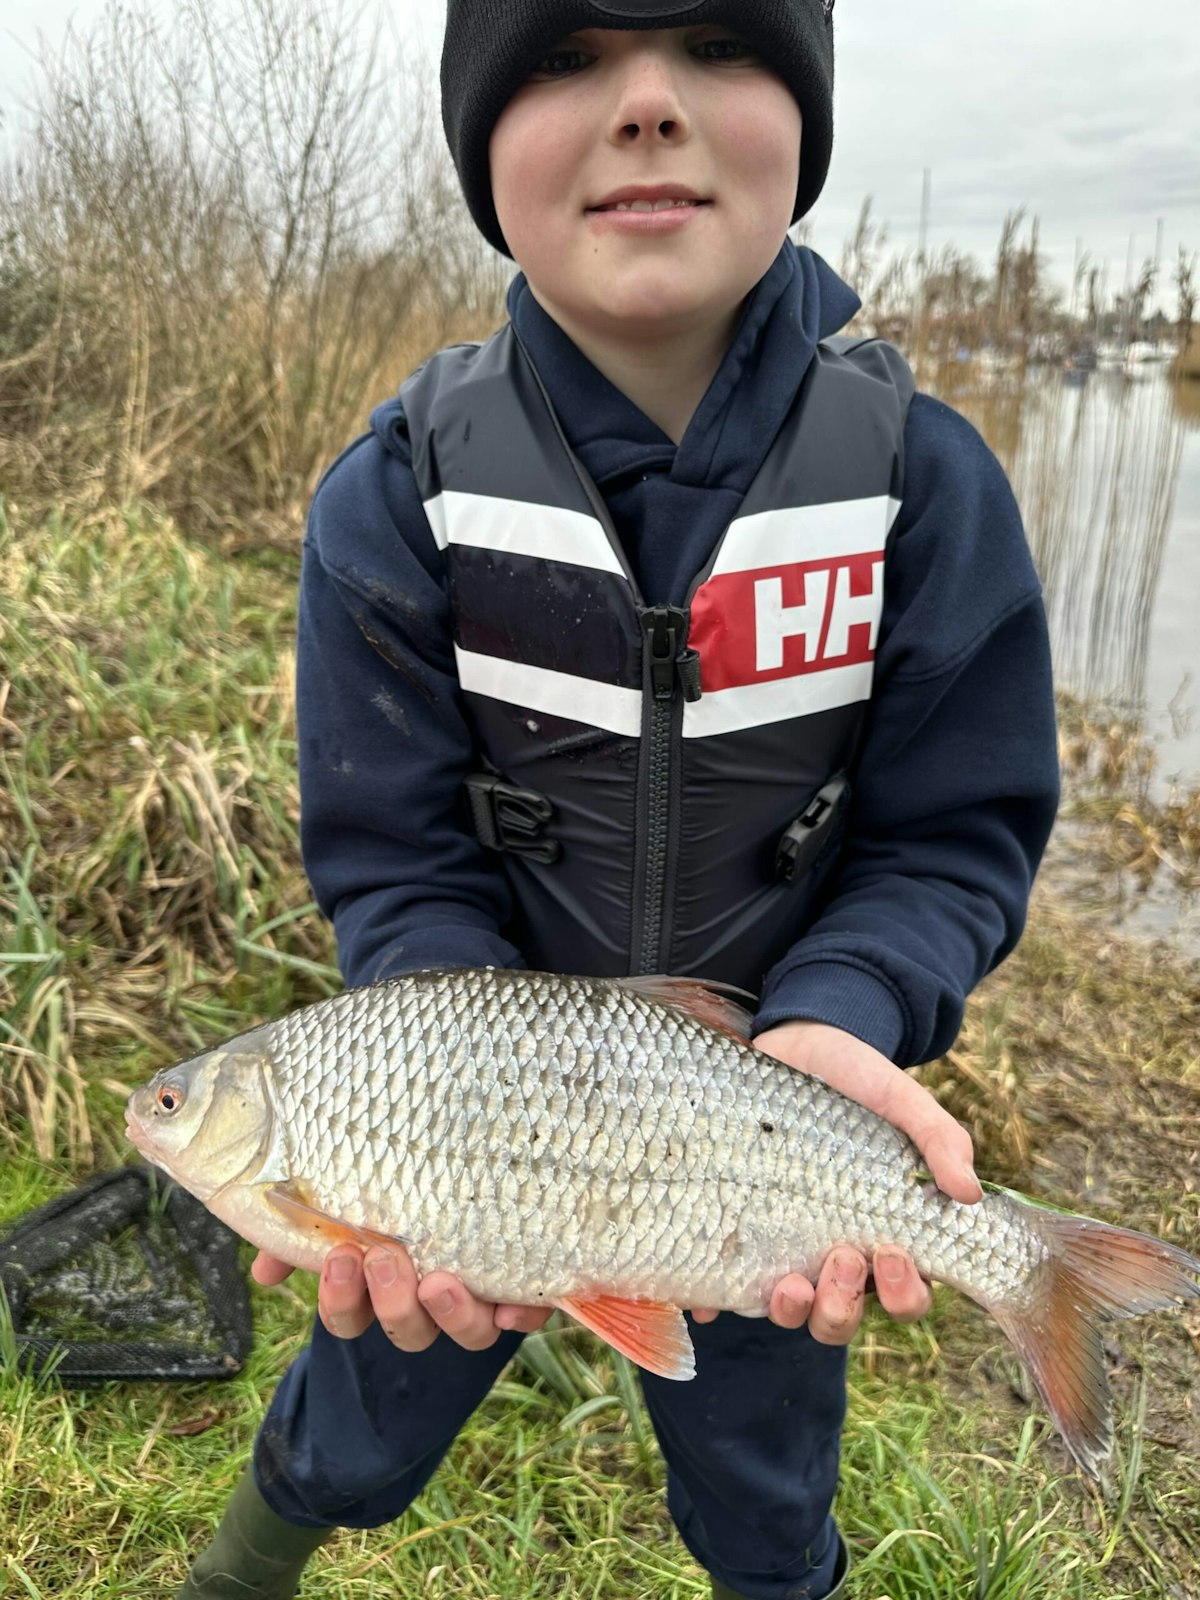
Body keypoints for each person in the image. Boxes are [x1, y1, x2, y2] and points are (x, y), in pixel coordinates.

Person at [177, 3, 1059, 1597]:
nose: (648, 102)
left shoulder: (921, 482)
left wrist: (850, 1010)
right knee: (351, 1425)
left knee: (764, 1496)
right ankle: (245, 1567)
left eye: (721, 46)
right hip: (465, 1130)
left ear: (805, 114)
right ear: (480, 142)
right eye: (569, 56)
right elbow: (393, 858)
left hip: (770, 1116)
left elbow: (955, 836)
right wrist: (426, 1058)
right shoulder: (400, 495)